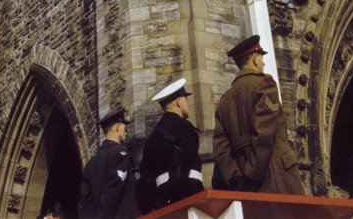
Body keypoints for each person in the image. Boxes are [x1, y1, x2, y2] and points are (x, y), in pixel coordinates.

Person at [212, 35, 304, 195]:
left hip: (243, 186)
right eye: (261, 58)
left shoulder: (224, 102)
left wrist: (236, 180)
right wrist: (252, 176)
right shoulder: (265, 85)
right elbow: (264, 134)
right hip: (274, 175)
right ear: (254, 59)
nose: (263, 63)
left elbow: (221, 150)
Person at [136, 78, 204, 214]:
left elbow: (146, 178)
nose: (188, 103)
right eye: (186, 99)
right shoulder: (185, 129)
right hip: (189, 198)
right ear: (178, 102)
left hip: (163, 203)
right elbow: (185, 165)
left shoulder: (153, 137)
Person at [77, 108, 139, 218]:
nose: (126, 131)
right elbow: (113, 191)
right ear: (117, 126)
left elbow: (84, 203)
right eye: (124, 126)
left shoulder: (91, 163)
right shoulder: (120, 153)